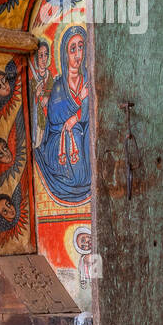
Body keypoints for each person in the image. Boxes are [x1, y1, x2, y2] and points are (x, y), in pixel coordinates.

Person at [34, 24, 91, 203]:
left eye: (81, 47)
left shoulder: (88, 79)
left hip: (82, 130)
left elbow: (91, 112)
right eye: (72, 48)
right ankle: (75, 182)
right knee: (72, 135)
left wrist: (76, 117)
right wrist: (78, 101)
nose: (77, 54)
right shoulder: (59, 85)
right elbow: (55, 116)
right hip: (59, 136)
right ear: (65, 54)